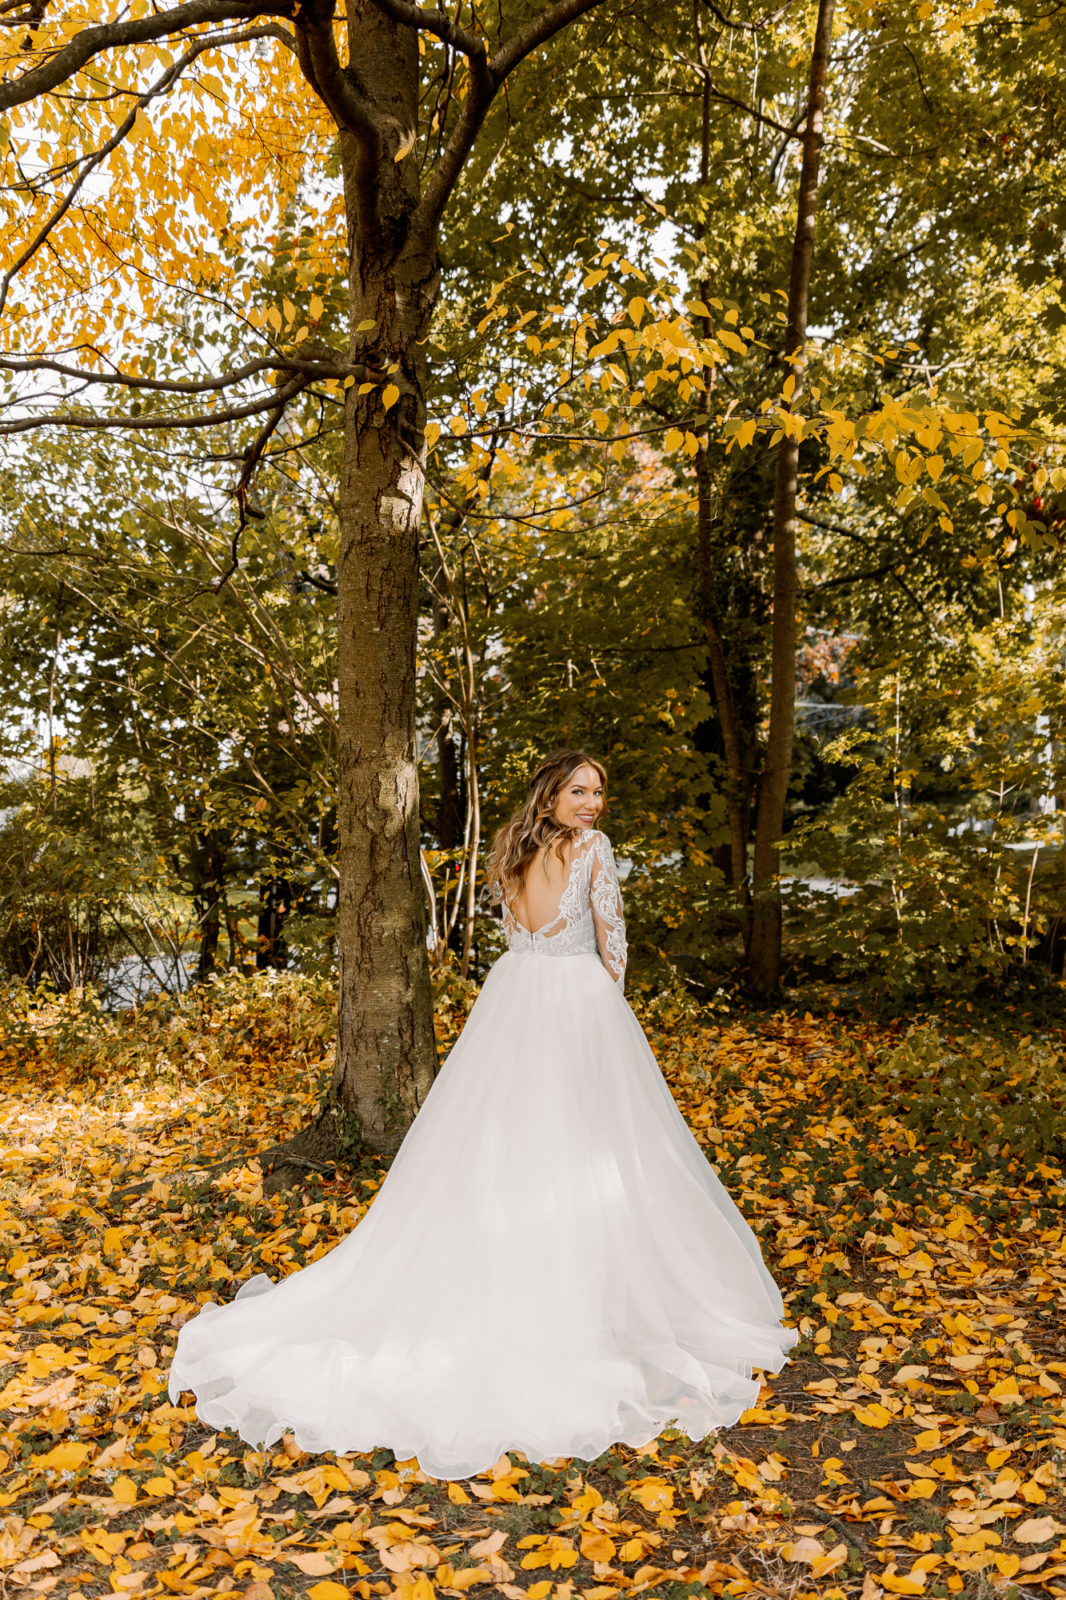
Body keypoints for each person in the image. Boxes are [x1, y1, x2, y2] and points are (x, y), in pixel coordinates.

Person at [167, 748, 796, 1480]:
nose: (593, 804)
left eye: (599, 791)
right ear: (552, 797)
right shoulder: (593, 850)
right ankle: (576, 1302)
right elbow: (612, 940)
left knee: (511, 1145)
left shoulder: (513, 849)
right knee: (587, 1147)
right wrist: (608, 1020)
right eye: (578, 790)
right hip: (575, 1001)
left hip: (514, 997)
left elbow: (519, 929)